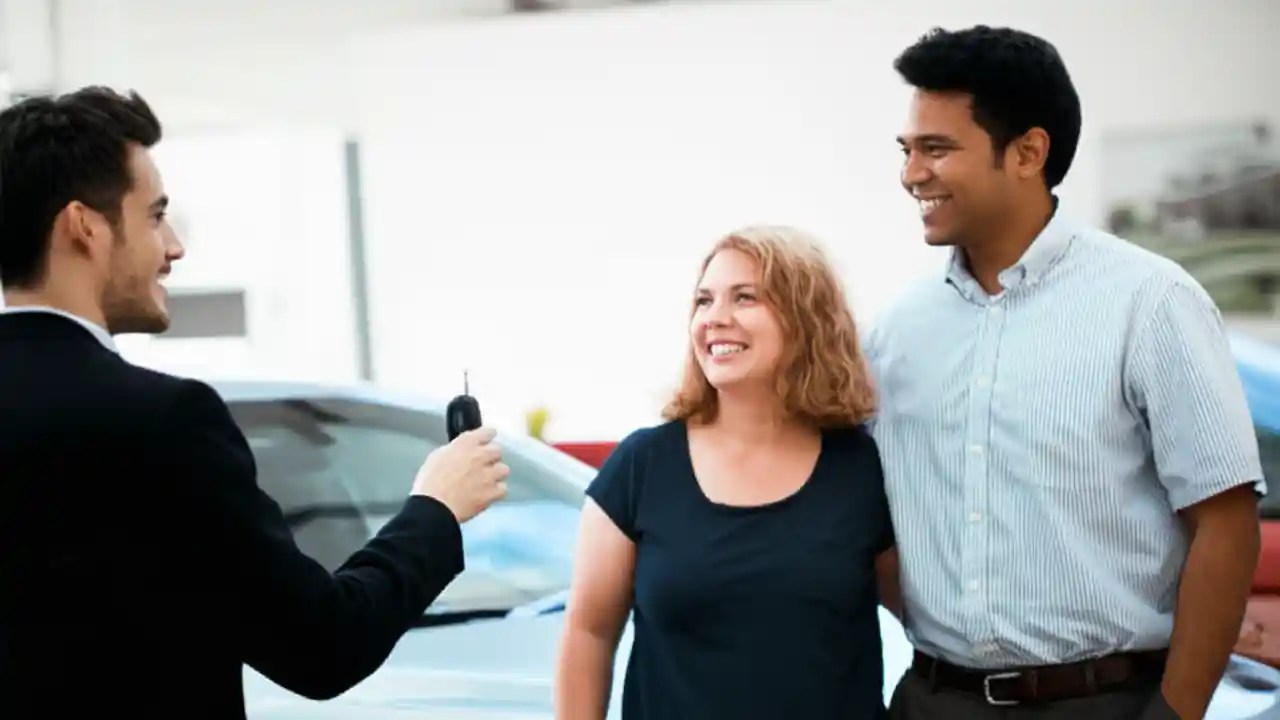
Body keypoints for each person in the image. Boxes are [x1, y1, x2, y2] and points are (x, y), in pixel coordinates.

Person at [0, 86, 510, 718]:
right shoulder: (163, 421)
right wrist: (436, 509)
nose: (175, 247)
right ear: (85, 227)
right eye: (156, 216)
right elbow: (324, 644)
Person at [865, 25, 1265, 720]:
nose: (911, 174)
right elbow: (869, 523)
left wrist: (1175, 714)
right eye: (908, 150)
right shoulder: (895, 333)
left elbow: (1225, 524)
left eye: (937, 149)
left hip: (1108, 702)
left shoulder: (1151, 303)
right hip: (933, 702)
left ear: (1028, 152)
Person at [553, 225, 896, 719]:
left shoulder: (862, 468)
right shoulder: (642, 466)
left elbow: (926, 622)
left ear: (805, 319)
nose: (716, 319)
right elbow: (588, 633)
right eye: (704, 301)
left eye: (745, 298)